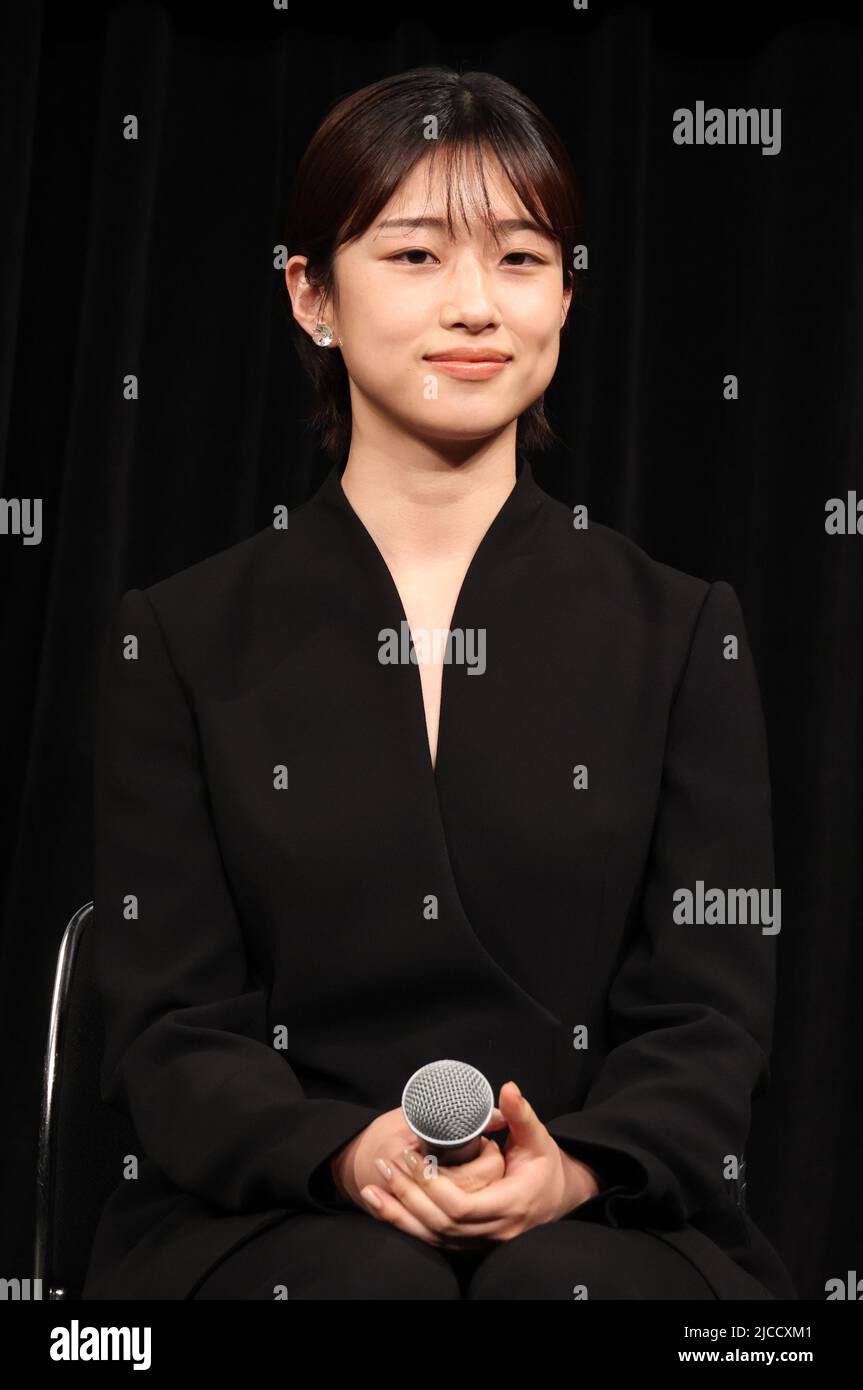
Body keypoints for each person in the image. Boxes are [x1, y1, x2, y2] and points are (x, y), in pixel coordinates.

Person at [82, 66, 797, 1300]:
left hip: (616, 1206)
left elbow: (711, 1012)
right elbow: (167, 1020)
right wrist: (341, 1154)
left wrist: (573, 1169)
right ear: (310, 293)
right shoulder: (182, 635)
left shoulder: (679, 630)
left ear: (565, 296)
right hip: (262, 1211)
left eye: (519, 259)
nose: (475, 305)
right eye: (415, 257)